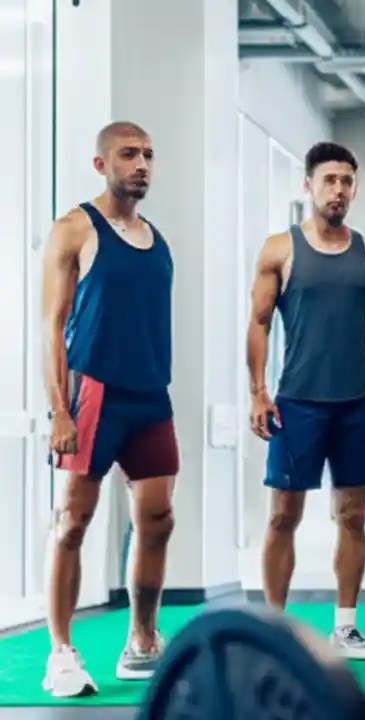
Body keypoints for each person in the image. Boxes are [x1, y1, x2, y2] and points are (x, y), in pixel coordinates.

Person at [41, 122, 178, 697]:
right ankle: (61, 653)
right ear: (102, 165)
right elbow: (52, 325)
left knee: (157, 521)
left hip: (150, 396)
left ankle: (142, 639)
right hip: (94, 393)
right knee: (73, 521)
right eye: (129, 154)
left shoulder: (155, 236)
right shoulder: (75, 228)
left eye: (148, 154)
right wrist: (60, 410)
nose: (142, 163)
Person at [247, 141, 365, 661]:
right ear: (308, 185)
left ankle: (346, 625)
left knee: (352, 516)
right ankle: (276, 629)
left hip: (355, 404)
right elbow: (260, 325)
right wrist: (257, 391)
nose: (338, 190)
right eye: (329, 180)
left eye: (346, 181)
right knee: (281, 517)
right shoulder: (279, 251)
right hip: (297, 403)